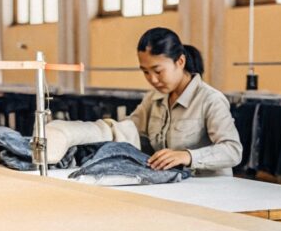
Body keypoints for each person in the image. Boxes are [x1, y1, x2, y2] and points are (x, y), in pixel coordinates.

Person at [47, 28, 242, 176]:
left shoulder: (210, 100)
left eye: (158, 71)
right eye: (145, 72)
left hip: (212, 192)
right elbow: (127, 132)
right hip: (173, 187)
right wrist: (73, 133)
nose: (152, 79)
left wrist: (188, 156)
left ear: (180, 62)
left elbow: (233, 151)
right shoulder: (153, 99)